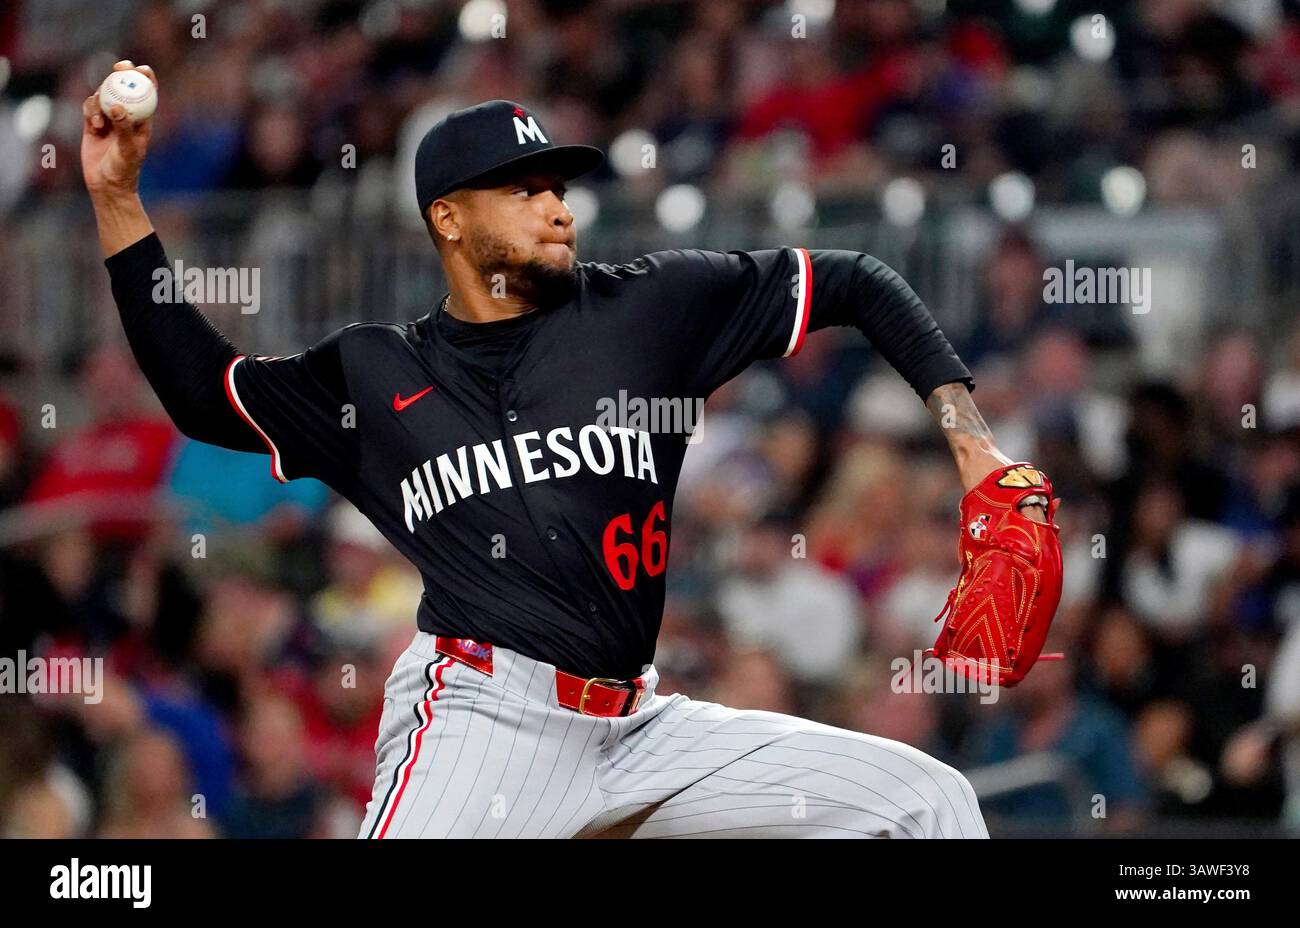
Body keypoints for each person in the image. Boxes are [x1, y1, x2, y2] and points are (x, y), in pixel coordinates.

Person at [84, 60, 1049, 838]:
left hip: (643, 725)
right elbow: (203, 391)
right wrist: (121, 201)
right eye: (523, 188)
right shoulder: (374, 376)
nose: (557, 207)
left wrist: (972, 446)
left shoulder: (647, 308)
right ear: (448, 218)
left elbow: (858, 279)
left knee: (928, 803)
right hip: (483, 720)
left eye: (558, 187)